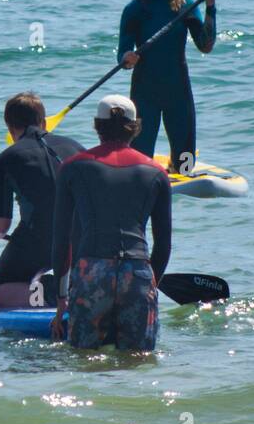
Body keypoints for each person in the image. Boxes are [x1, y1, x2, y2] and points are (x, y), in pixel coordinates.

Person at [50, 95, 171, 351]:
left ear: (97, 126)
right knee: (138, 363)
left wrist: (61, 297)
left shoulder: (72, 167)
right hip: (138, 272)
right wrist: (150, 285)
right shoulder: (157, 173)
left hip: (91, 273)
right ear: (135, 127)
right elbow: (164, 245)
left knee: (85, 361)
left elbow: (61, 239)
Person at [0, 93, 85, 307]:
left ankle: (50, 295)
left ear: (10, 127)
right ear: (43, 121)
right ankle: (77, 285)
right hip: (85, 240)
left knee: (0, 287)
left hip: (39, 240)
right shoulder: (76, 147)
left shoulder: (7, 158)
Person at [117, 0, 218, 174]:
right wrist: (127, 58)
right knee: (140, 163)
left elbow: (206, 46)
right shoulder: (135, 9)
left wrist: (211, 8)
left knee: (185, 164)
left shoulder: (186, 6)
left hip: (178, 91)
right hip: (145, 92)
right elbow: (122, 52)